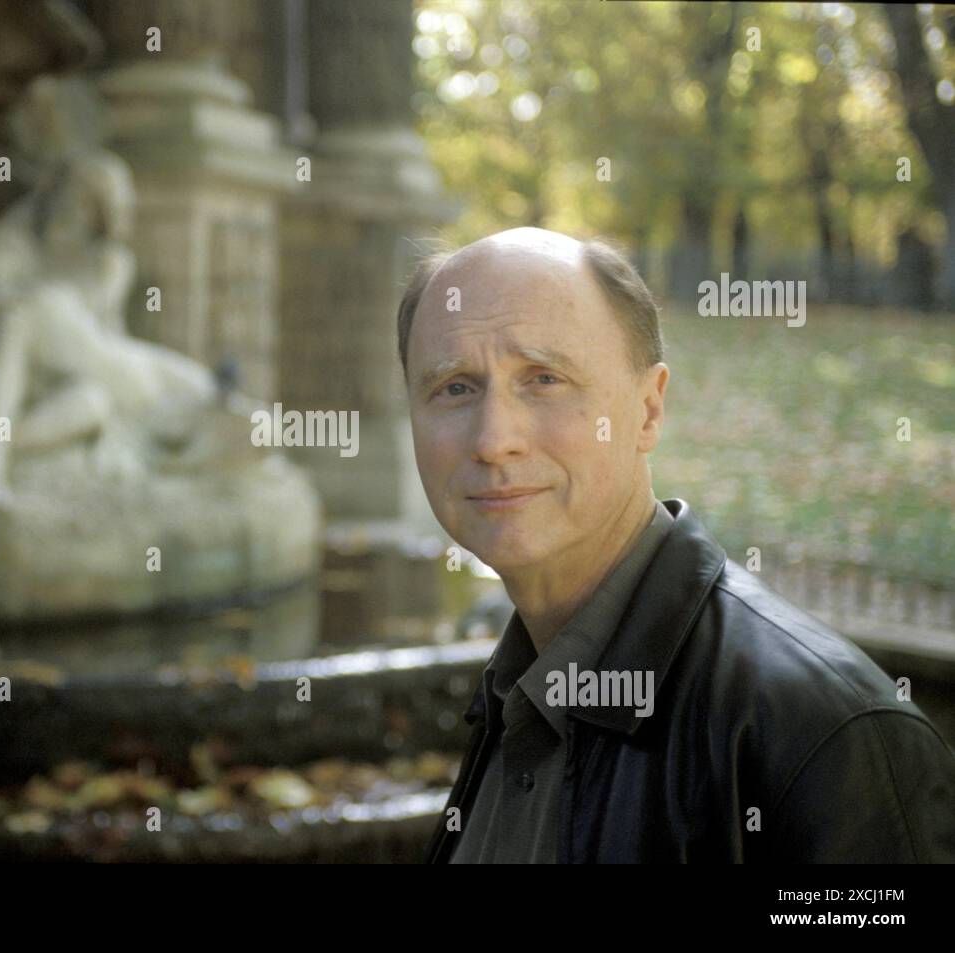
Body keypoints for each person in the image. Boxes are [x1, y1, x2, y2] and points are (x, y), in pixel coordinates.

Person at [399, 227, 955, 863]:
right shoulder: (522, 686)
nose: (494, 439)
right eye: (455, 387)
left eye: (544, 379)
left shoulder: (823, 735)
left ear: (648, 410)